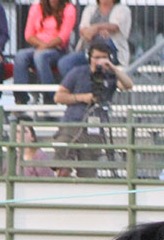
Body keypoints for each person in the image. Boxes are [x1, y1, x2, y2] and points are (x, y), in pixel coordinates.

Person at [53, 39, 134, 177]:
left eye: (104, 57)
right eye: (97, 57)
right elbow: (58, 97)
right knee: (63, 166)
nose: (100, 61)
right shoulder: (77, 72)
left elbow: (128, 85)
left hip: (95, 126)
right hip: (72, 122)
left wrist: (113, 68)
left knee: (88, 171)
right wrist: (82, 98)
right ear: (90, 57)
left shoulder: (111, 76)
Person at [15, 0, 76, 103]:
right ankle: (20, 98)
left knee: (41, 56)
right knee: (20, 55)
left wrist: (45, 47)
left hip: (58, 50)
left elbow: (63, 37)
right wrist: (42, 45)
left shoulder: (69, 9)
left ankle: (49, 98)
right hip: (38, 47)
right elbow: (28, 35)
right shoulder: (36, 8)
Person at [61, 0, 132, 74]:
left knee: (104, 41)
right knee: (64, 63)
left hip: (111, 52)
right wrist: (99, 29)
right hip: (88, 51)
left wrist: (95, 27)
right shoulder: (90, 9)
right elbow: (83, 31)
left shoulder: (122, 9)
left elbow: (115, 27)